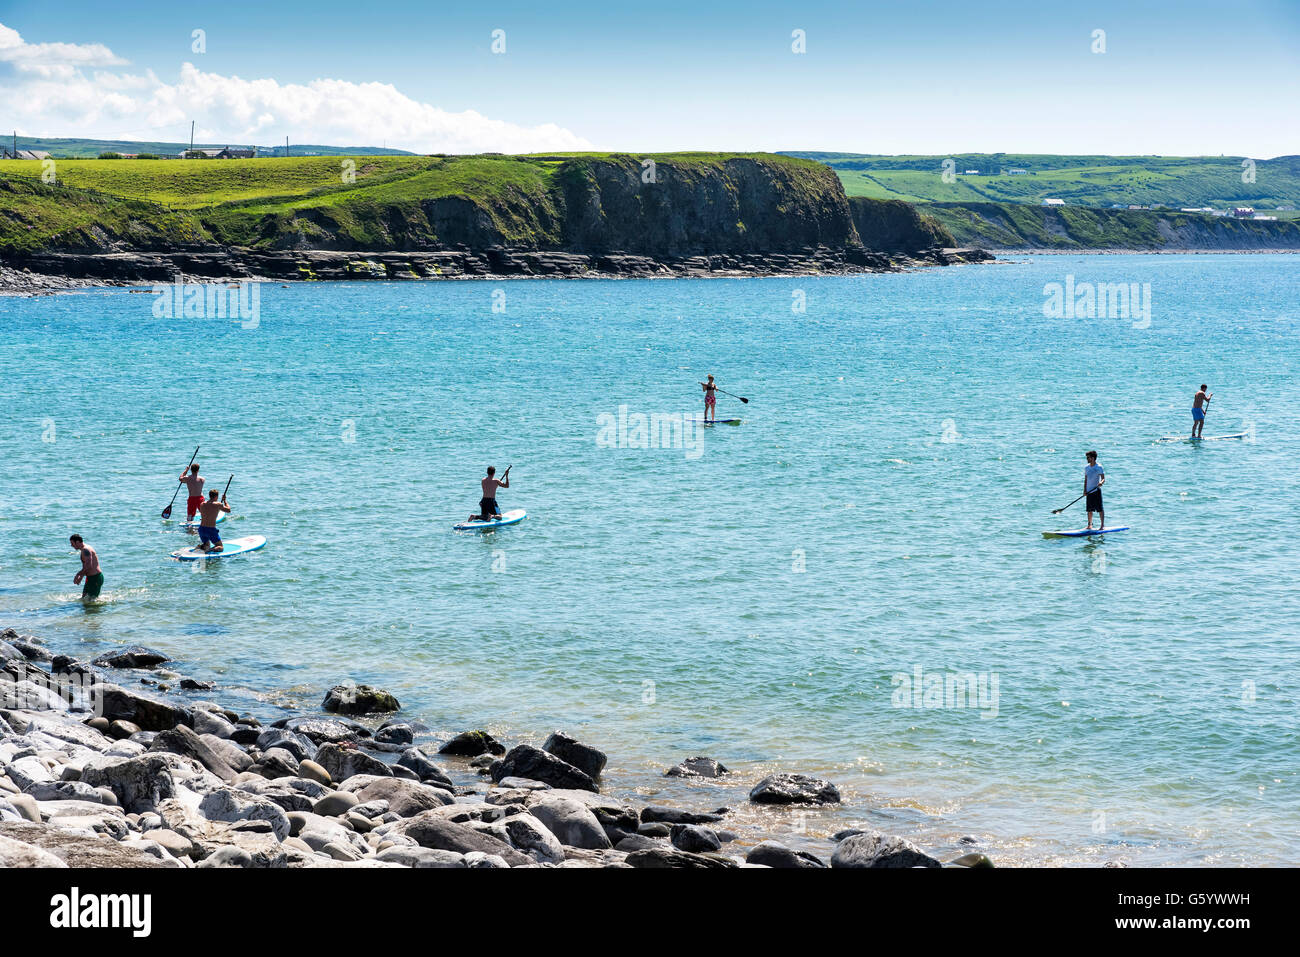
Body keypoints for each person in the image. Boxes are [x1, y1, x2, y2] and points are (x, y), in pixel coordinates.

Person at [195, 488, 231, 552]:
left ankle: (201, 546)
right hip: (210, 529)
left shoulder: (202, 504)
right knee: (220, 547)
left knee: (207, 544)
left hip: (201, 529)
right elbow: (228, 510)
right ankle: (210, 549)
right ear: (216, 496)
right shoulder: (218, 504)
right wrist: (225, 501)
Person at [70, 534, 103, 601]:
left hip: (95, 578)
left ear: (77, 542)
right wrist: (81, 577)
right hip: (90, 578)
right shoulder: (84, 550)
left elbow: (89, 566)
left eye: (72, 543)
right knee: (84, 599)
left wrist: (78, 574)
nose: (71, 545)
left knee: (91, 601)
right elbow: (86, 566)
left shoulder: (86, 550)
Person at [1084, 450, 1105, 531]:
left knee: (1100, 509)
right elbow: (1085, 480)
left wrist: (1101, 482)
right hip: (1089, 491)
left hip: (1096, 490)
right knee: (1089, 510)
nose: (1087, 459)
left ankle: (1102, 525)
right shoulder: (1086, 467)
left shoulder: (1099, 467)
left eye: (1088, 457)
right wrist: (1084, 491)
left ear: (1093, 458)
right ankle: (1089, 525)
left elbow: (1103, 479)